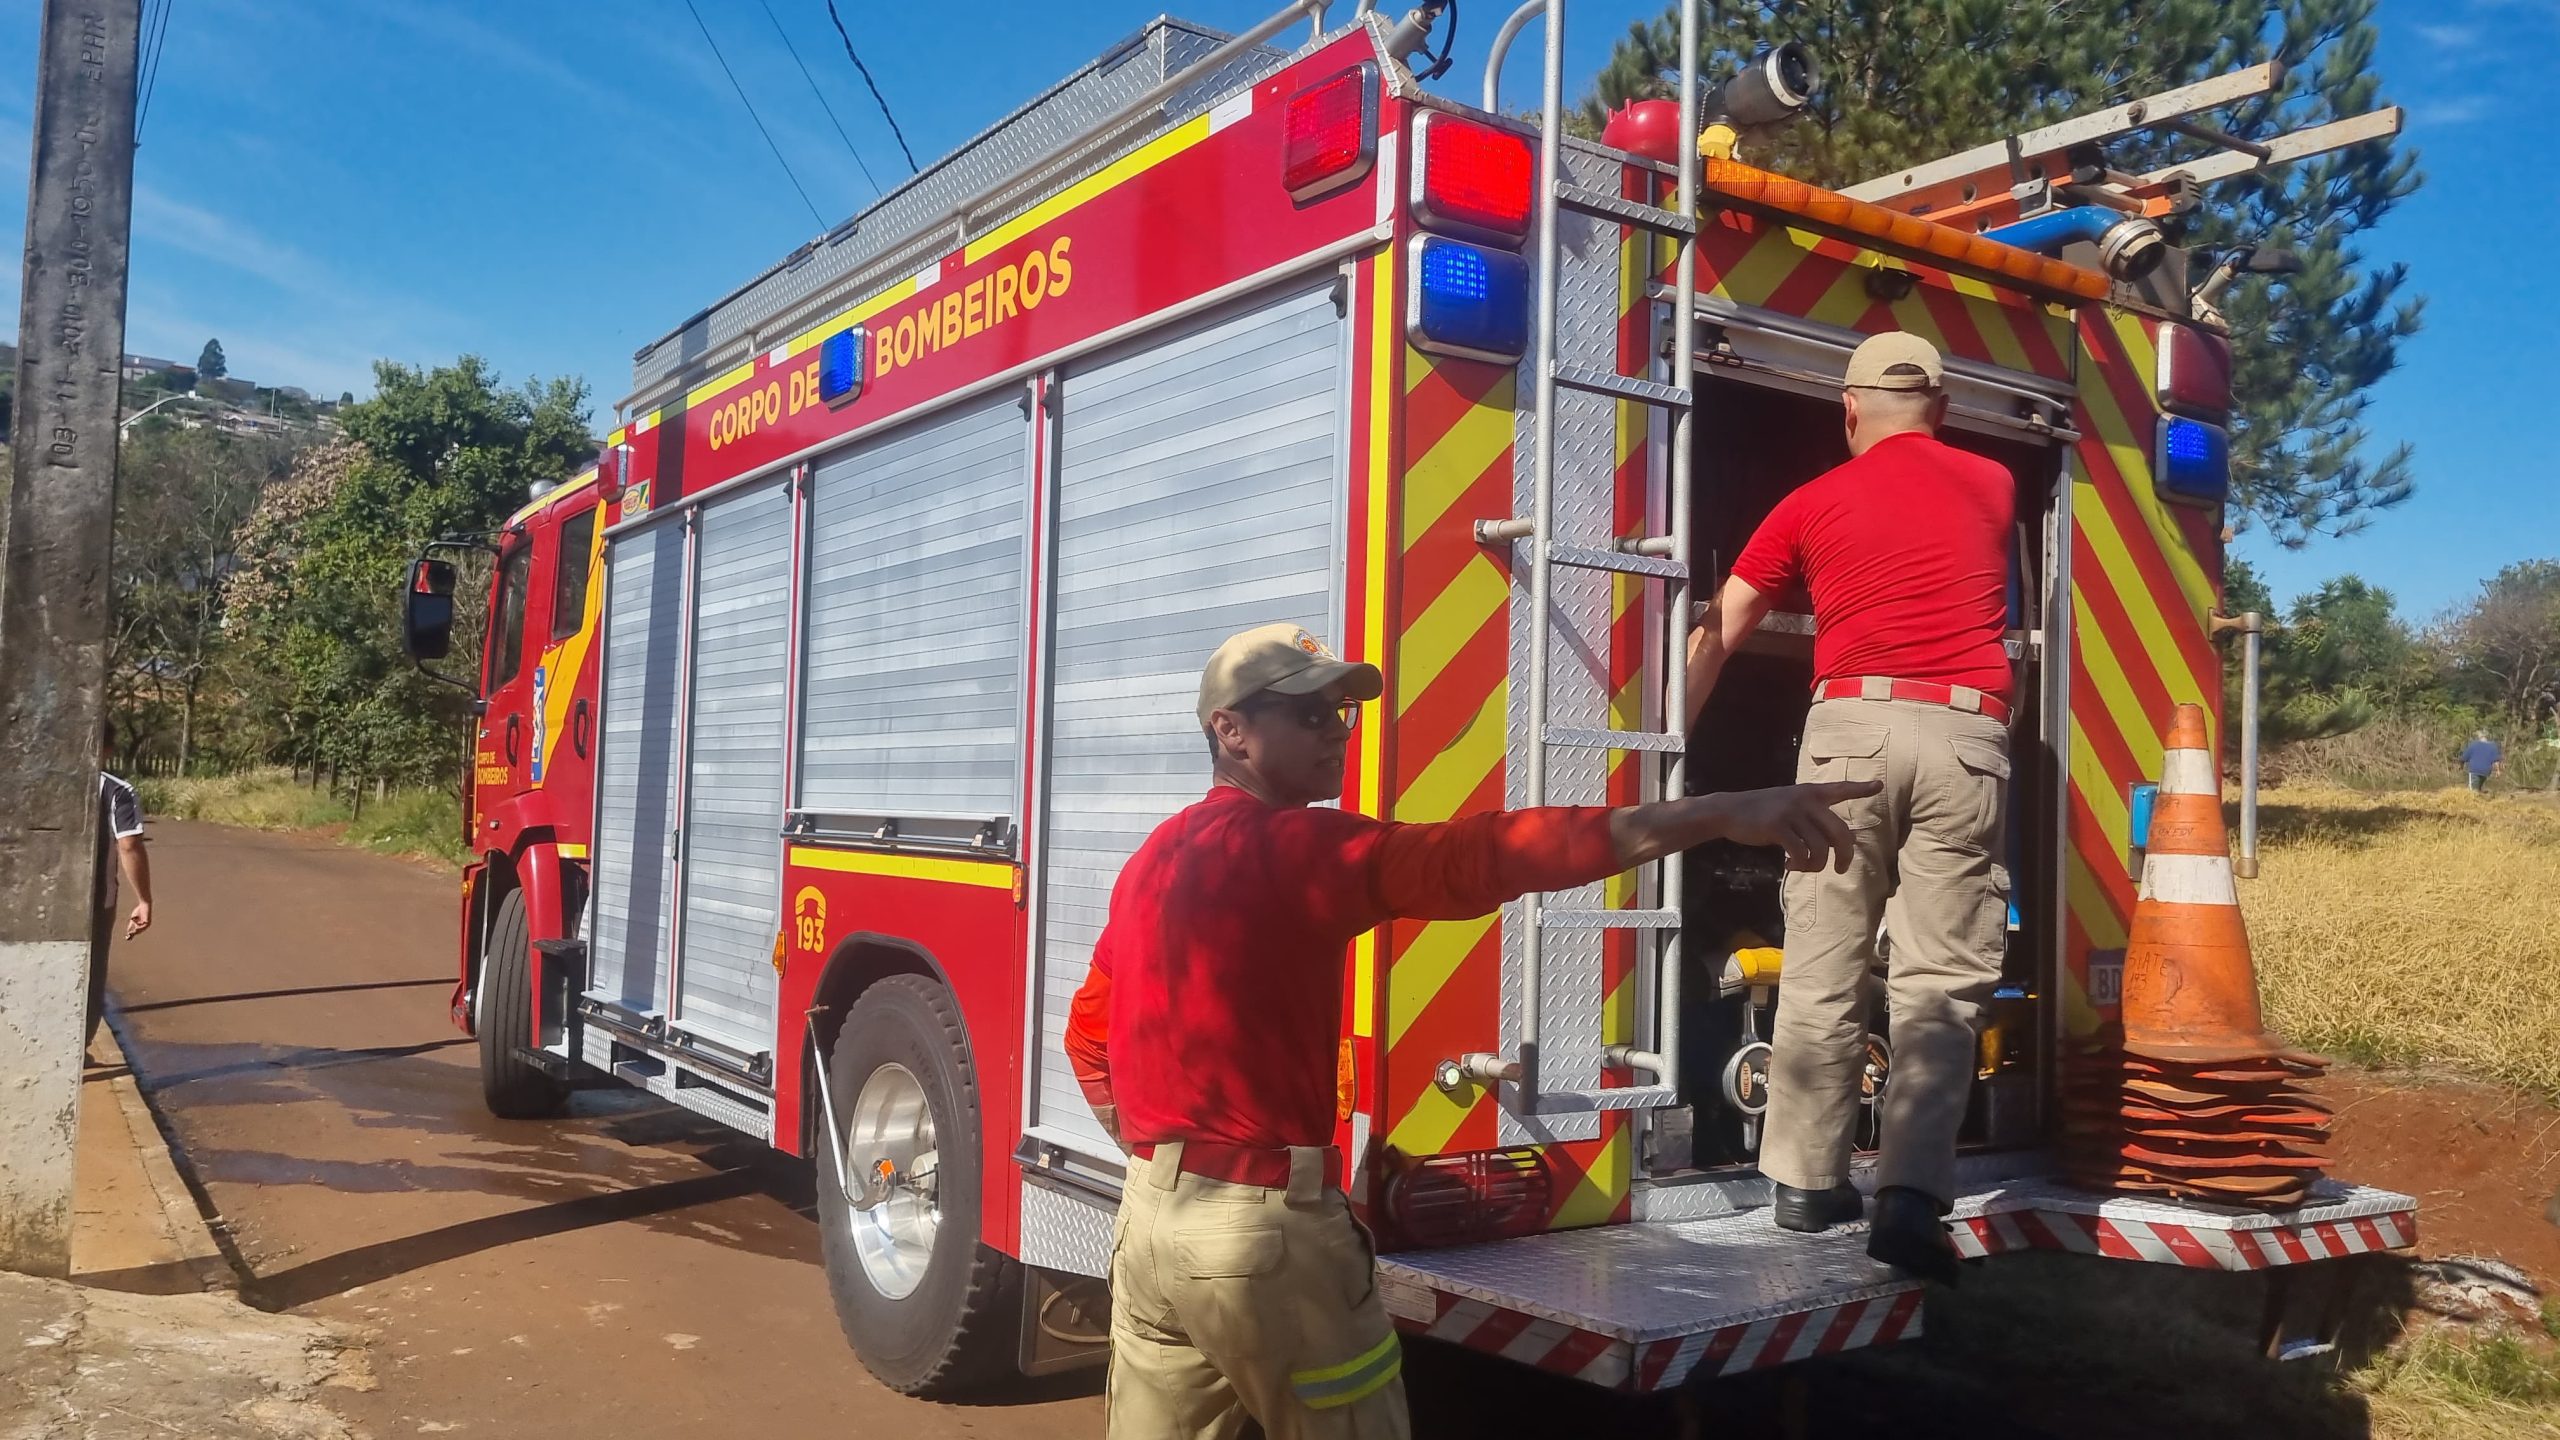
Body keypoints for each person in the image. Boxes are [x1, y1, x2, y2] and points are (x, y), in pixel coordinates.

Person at [1065, 622, 1876, 1440]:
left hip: (1152, 1224)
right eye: (1307, 714)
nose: (1335, 733)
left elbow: (1088, 1038)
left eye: (1341, 714)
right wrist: (1720, 813)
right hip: (1263, 1243)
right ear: (1229, 731)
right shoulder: (1292, 847)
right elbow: (1484, 856)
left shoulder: (1154, 862)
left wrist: (1169, 1161)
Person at [1680, 332, 2013, 1285]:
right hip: (1965, 735)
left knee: (1825, 955)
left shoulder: (1810, 502)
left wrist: (1669, 751)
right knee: (1940, 978)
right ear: (1942, 408)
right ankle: (1910, 1196)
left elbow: (1722, 630)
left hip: (1851, 729)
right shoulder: (1994, 485)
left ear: (1851, 410)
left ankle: (1804, 1182)